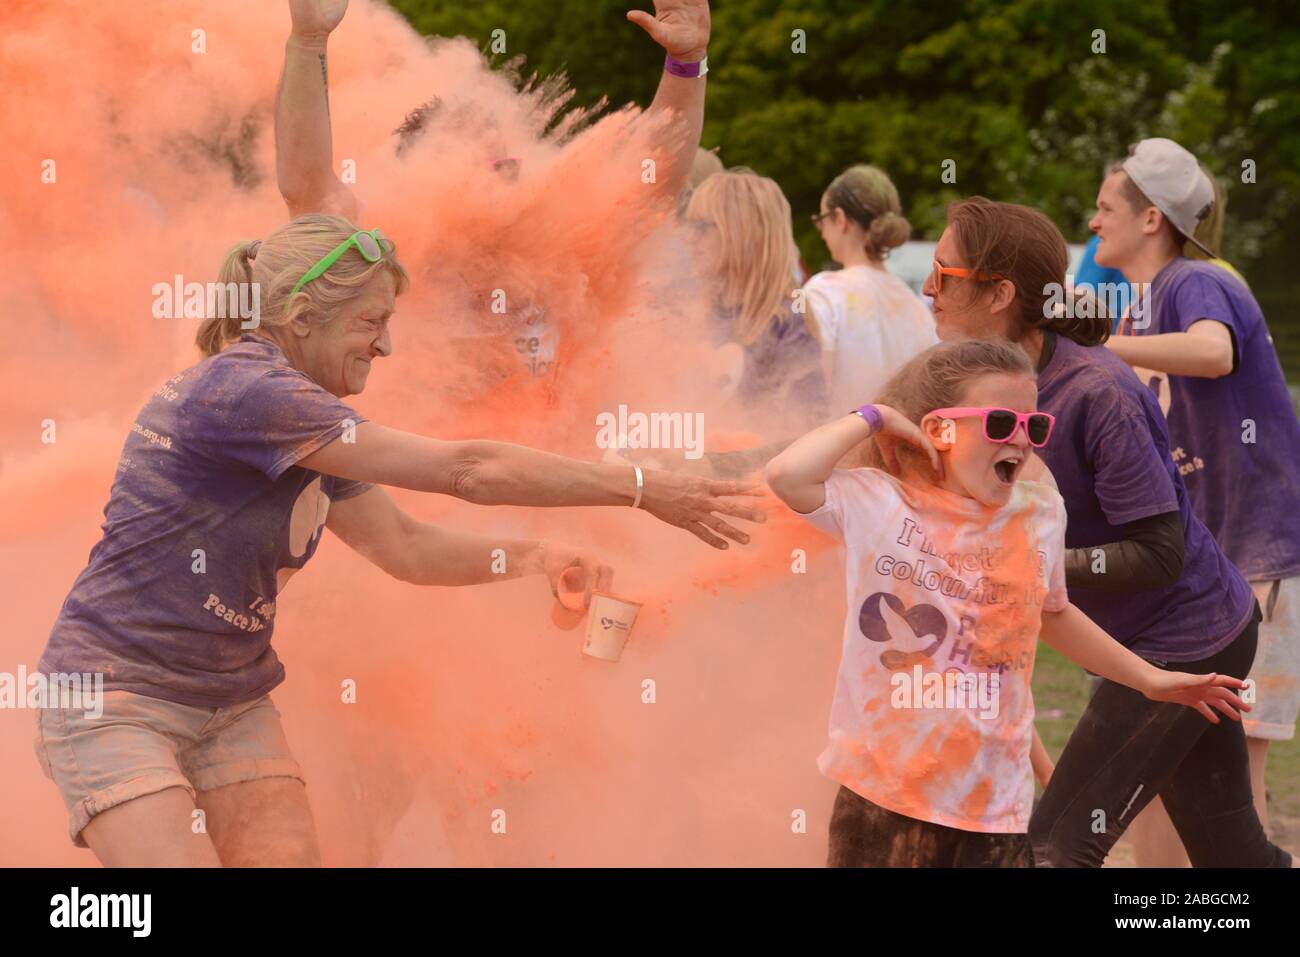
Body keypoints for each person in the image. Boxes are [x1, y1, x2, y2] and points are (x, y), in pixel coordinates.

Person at [32, 215, 763, 867]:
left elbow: (404, 547)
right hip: (113, 696)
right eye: (370, 322)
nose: (386, 344)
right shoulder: (254, 390)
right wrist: (642, 487)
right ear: (302, 315)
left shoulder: (307, 419)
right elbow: (467, 470)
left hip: (231, 702)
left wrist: (535, 556)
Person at [764, 338, 1247, 867]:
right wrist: (875, 417)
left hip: (995, 807)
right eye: (999, 423)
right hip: (884, 797)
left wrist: (1151, 680)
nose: (1019, 440)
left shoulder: (1038, 512)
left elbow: (1052, 612)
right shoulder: (879, 502)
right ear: (940, 430)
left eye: (1033, 427)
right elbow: (788, 475)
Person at [922, 195, 1291, 867]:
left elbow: (1159, 550)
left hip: (1190, 637)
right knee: (1234, 860)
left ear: (999, 292)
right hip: (1162, 638)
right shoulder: (967, 383)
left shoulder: (1098, 393)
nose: (927, 289)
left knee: (1057, 846)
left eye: (944, 276)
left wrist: (1043, 563)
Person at [276, 0, 712, 387]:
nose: (498, 185)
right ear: (421, 181)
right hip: (426, 472)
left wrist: (687, 62)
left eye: (504, 166)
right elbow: (308, 191)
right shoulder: (386, 255)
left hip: (558, 465)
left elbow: (652, 190)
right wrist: (308, 40)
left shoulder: (556, 256)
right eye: (478, 172)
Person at [1095, 138, 1300, 853]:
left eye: (1105, 206)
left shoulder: (1193, 281)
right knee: (1172, 756)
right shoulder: (1143, 305)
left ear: (1152, 218)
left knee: (1234, 763)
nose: (1093, 223)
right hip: (1210, 563)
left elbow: (1214, 352)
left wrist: (1102, 349)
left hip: (1257, 552)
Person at [684, 168, 828, 424]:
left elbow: (805, 427)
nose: (689, 238)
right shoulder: (694, 313)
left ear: (746, 233)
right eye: (690, 225)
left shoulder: (788, 322)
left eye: (703, 226)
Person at [804, 164, 936, 415]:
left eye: (821, 220)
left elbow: (815, 393)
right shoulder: (915, 304)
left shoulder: (825, 293)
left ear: (840, 219)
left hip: (843, 447)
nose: (821, 234)